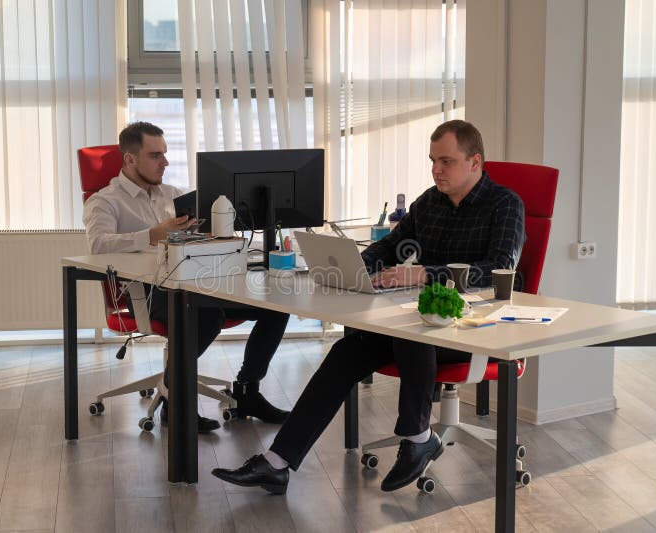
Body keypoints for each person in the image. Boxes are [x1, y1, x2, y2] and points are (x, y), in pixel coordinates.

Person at [212, 119, 525, 493]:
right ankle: (277, 463)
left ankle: (417, 436)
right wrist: (355, 267)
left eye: (446, 161)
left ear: (475, 162)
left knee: (408, 329)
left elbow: (498, 269)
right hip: (421, 325)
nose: (436, 170)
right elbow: (391, 246)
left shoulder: (505, 205)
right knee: (347, 351)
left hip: (474, 329)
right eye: (432, 161)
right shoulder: (430, 202)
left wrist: (424, 274)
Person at [83, 121, 291, 432]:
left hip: (196, 281)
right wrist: (152, 235)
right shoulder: (105, 200)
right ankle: (175, 400)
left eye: (165, 154)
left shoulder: (173, 195)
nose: (165, 162)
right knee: (204, 314)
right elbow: (98, 245)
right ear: (129, 159)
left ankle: (248, 392)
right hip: (148, 292)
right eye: (155, 155)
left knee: (275, 305)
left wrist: (209, 234)